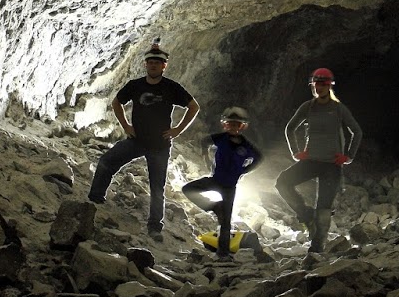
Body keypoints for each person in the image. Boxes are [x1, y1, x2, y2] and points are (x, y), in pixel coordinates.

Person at [88, 39, 199, 241]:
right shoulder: (135, 85)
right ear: (146, 64)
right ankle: (95, 200)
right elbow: (116, 103)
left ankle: (155, 226)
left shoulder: (172, 88)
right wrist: (126, 126)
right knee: (106, 162)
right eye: (150, 62)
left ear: (164, 66)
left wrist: (178, 130)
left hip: (159, 146)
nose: (153, 65)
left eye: (157, 62)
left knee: (157, 188)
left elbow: (194, 107)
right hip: (136, 140)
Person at [275, 67, 363, 254]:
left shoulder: (338, 108)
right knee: (283, 182)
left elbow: (357, 131)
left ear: (329, 85)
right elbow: (290, 128)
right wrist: (296, 152)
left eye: (323, 84)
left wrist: (348, 156)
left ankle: (317, 247)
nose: (319, 87)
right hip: (311, 161)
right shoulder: (308, 107)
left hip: (331, 165)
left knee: (323, 207)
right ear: (312, 85)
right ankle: (307, 216)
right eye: (316, 84)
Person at [182, 106, 263, 259]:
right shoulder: (220, 138)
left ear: (242, 127)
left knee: (226, 223)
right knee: (188, 189)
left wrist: (244, 170)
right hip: (215, 180)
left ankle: (223, 253)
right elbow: (204, 141)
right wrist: (205, 157)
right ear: (225, 125)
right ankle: (214, 206)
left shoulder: (246, 145)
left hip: (230, 187)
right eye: (230, 124)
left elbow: (259, 157)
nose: (233, 127)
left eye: (236, 124)